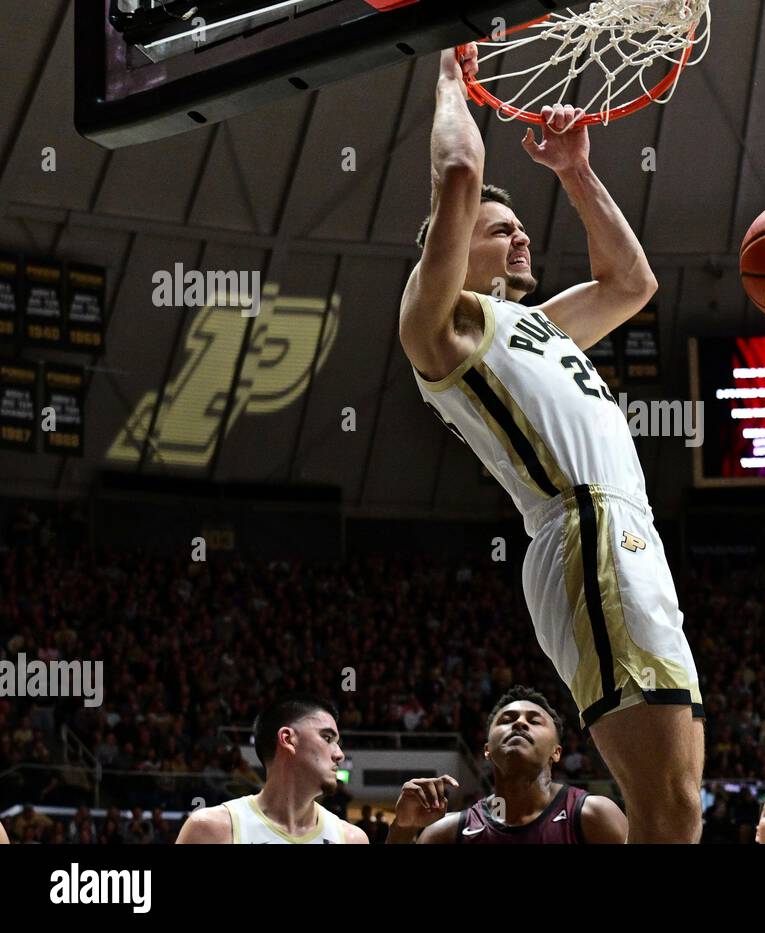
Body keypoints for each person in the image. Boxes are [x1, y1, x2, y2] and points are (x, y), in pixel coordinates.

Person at [400, 43, 702, 842]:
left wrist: (575, 171)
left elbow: (632, 284)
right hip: (584, 530)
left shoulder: (540, 325)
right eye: (503, 232)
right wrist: (448, 79)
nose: (524, 240)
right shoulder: (449, 325)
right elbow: (460, 176)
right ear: (455, 246)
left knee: (679, 800)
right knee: (667, 803)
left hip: (627, 531)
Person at [388, 686, 626, 845]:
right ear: (487, 750)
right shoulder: (448, 832)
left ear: (556, 752)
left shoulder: (594, 815)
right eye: (507, 720)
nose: (519, 724)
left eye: (534, 721)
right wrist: (403, 828)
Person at [176, 695, 367, 844]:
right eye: (327, 738)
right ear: (287, 739)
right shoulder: (211, 830)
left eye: (338, 743)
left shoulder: (352, 839)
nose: (339, 754)